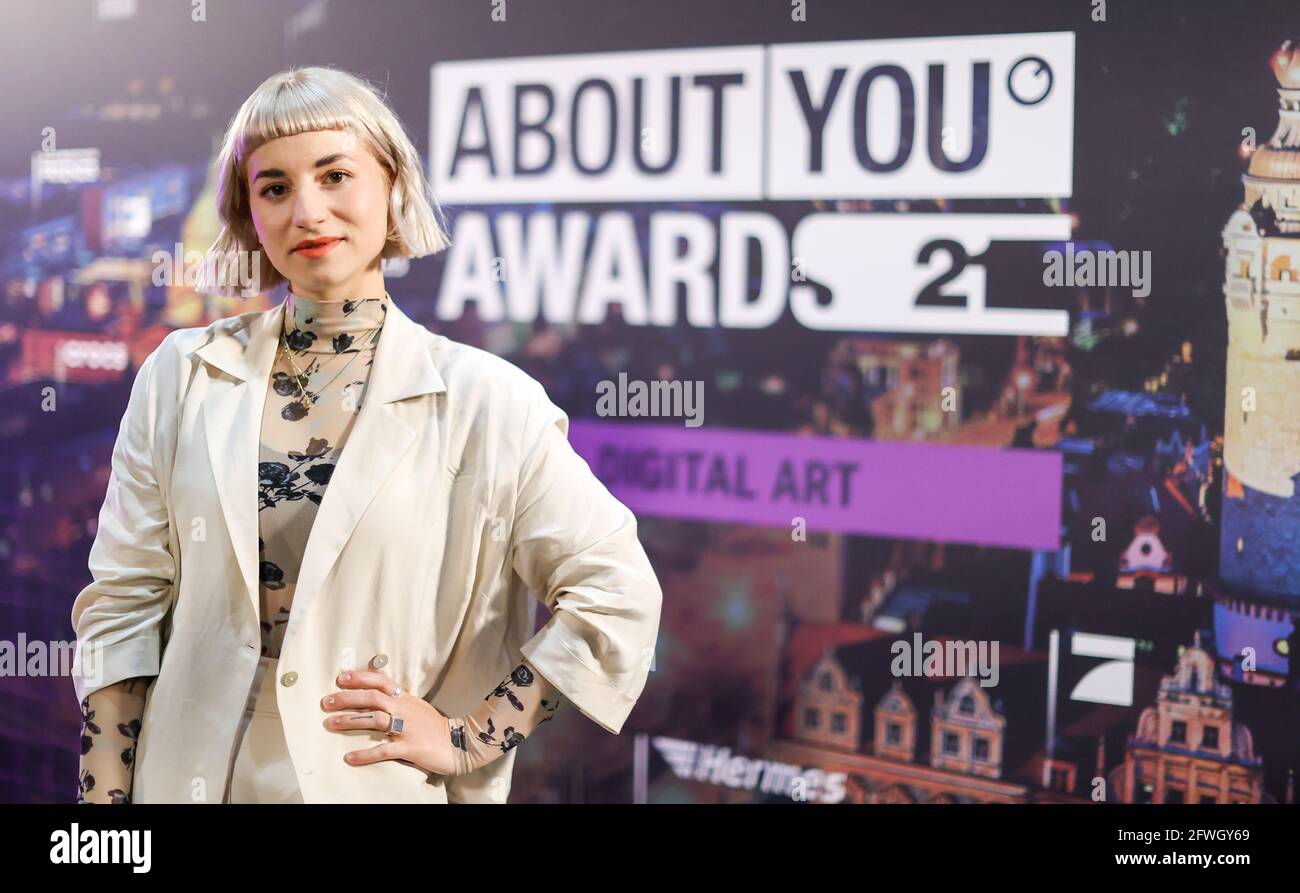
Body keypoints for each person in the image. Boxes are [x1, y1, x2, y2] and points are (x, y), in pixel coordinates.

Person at [71, 66, 662, 804]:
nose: (307, 210)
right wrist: (105, 817)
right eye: (275, 187)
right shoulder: (180, 374)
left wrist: (467, 737)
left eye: (335, 175)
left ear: (393, 190)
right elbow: (123, 607)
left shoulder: (493, 401)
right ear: (249, 213)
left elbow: (618, 594)